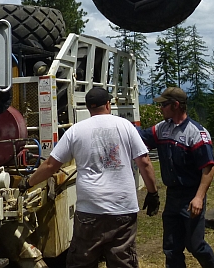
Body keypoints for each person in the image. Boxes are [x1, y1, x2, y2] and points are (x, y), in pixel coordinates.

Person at [25, 86, 159, 268]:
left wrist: (28, 182)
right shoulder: (125, 126)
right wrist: (152, 193)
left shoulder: (75, 131)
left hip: (90, 209)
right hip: (122, 208)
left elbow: (50, 165)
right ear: (108, 105)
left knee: (82, 262)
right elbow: (144, 162)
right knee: (123, 262)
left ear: (88, 108)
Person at [138, 87, 214, 268]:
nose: (160, 108)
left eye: (164, 104)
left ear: (176, 105)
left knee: (195, 245)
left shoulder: (196, 133)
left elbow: (209, 168)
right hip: (172, 196)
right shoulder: (162, 128)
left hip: (190, 195)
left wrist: (199, 197)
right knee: (171, 247)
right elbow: (140, 136)